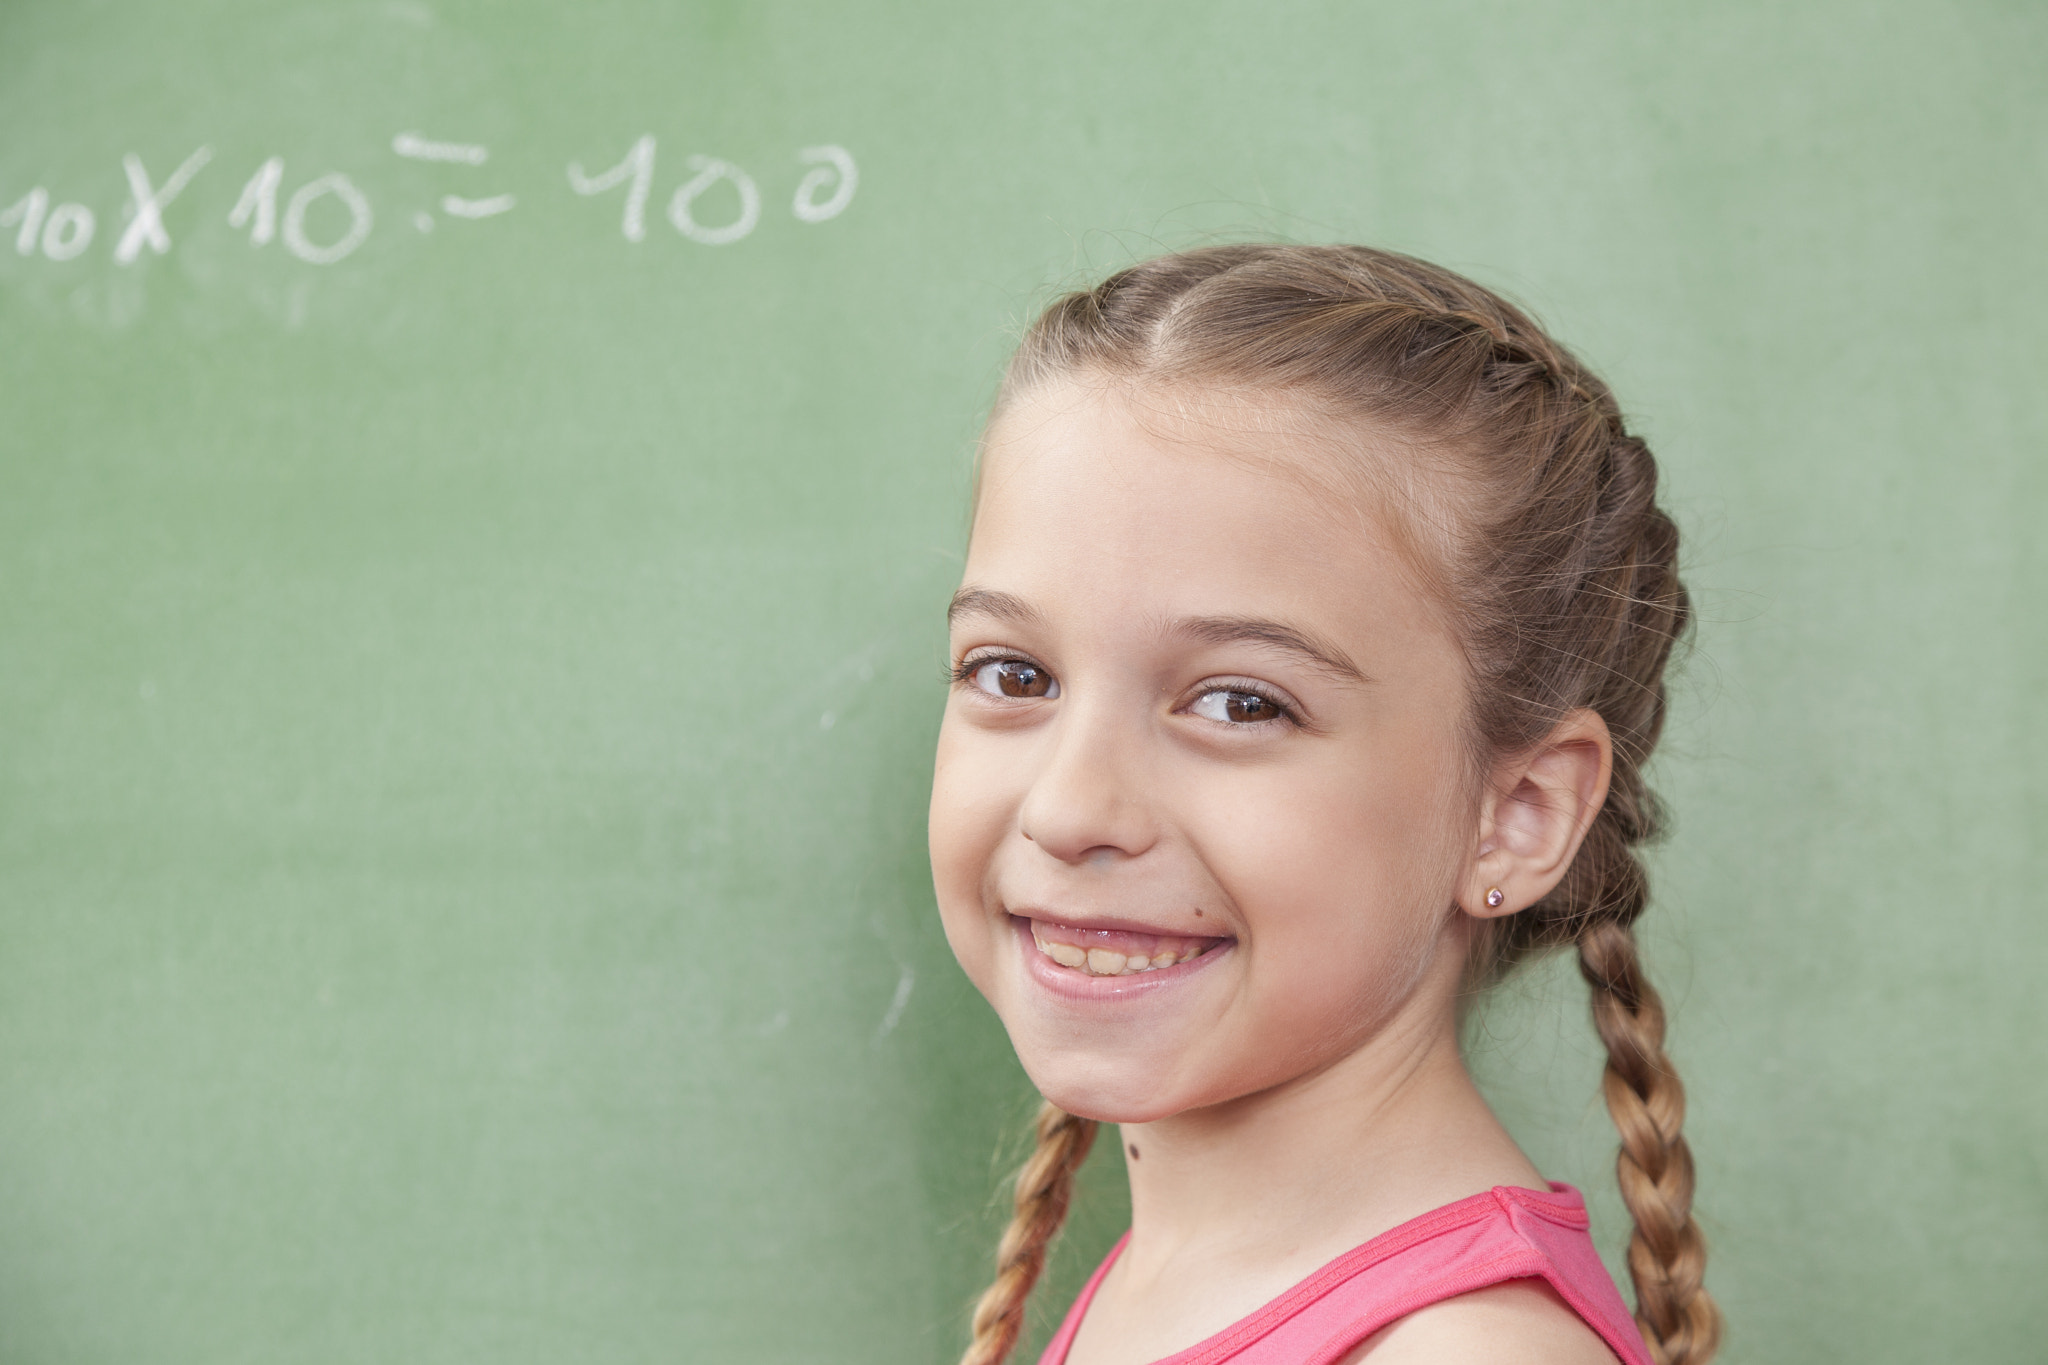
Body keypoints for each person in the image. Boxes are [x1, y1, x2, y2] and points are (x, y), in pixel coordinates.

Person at [927, 246, 1721, 1365]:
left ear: (1517, 814)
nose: (1067, 809)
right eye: (1013, 674)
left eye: (1241, 702)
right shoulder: (1183, 1281)